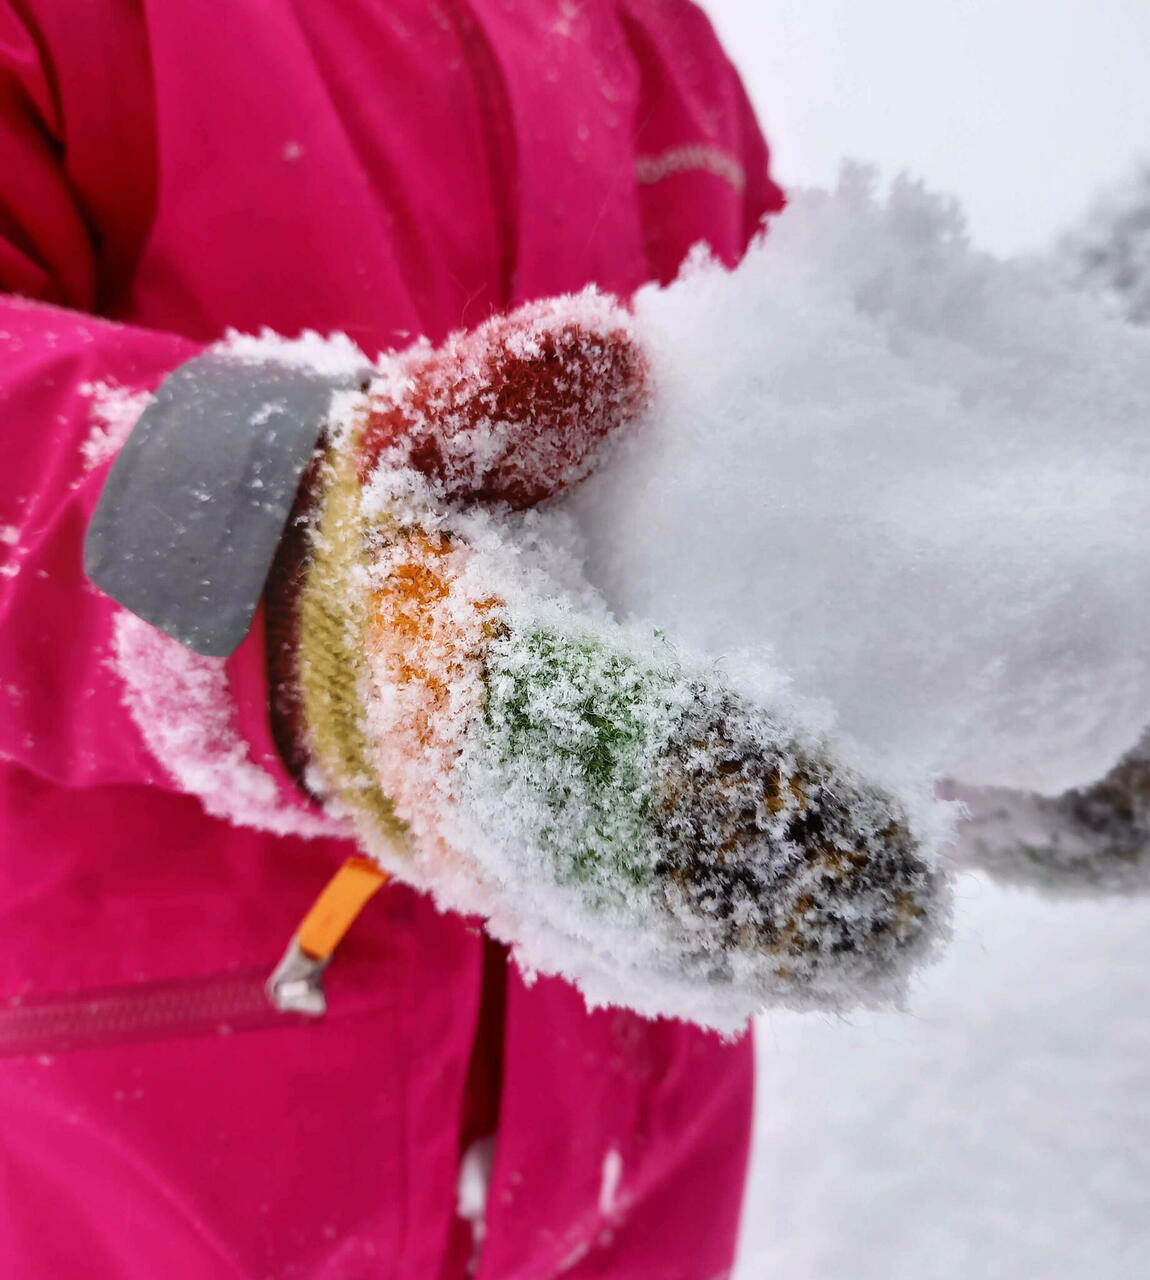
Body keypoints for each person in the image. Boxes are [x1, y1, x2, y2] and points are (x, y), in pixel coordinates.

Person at [0, 2, 785, 1276]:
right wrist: (290, 566)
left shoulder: (644, 30)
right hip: (164, 1136)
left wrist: (999, 681)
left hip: (633, 1138)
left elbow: (789, 449)